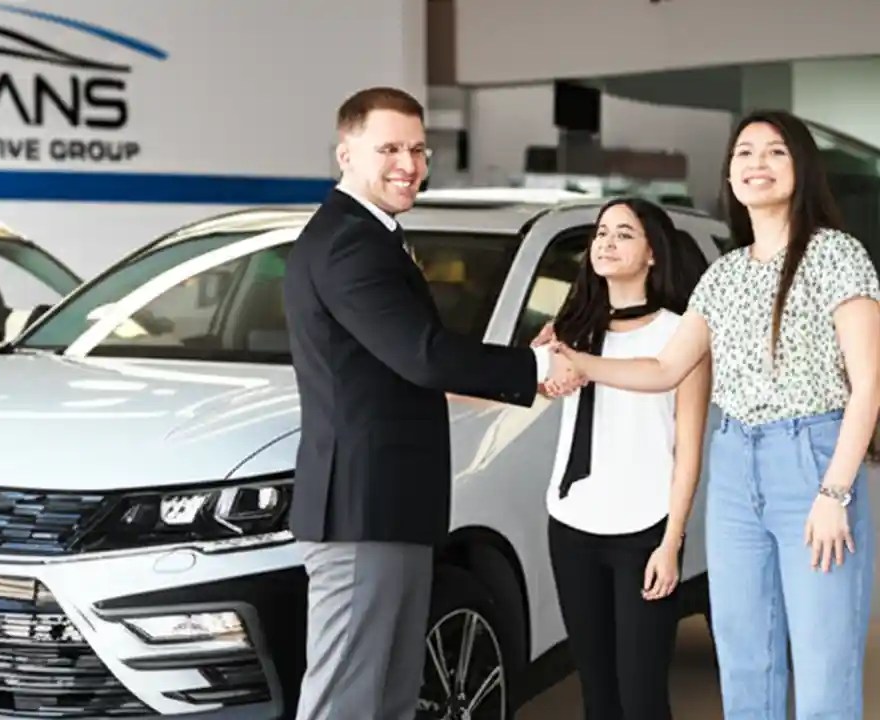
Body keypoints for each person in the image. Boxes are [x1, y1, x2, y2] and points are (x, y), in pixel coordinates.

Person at [551, 109, 880, 719]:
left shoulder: (837, 255)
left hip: (811, 460)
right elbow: (662, 369)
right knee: (744, 652)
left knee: (823, 656)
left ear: (801, 168)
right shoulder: (723, 276)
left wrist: (834, 492)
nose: (757, 163)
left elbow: (868, 387)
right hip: (733, 465)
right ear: (729, 175)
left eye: (775, 152)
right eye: (744, 152)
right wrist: (578, 360)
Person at [282, 86, 582, 720]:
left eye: (417, 148)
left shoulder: (373, 236)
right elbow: (422, 354)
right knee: (347, 699)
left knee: (387, 696)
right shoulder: (349, 243)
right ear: (346, 154)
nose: (409, 163)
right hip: (363, 515)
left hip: (389, 509)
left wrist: (523, 363)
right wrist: (536, 367)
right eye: (388, 147)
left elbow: (407, 363)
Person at [533, 197, 710, 719]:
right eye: (601, 233)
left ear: (653, 253)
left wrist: (671, 542)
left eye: (624, 234)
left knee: (642, 697)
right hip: (571, 523)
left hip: (643, 531)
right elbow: (543, 387)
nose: (606, 243)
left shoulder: (681, 334)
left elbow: (689, 448)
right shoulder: (571, 328)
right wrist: (542, 362)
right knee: (597, 693)